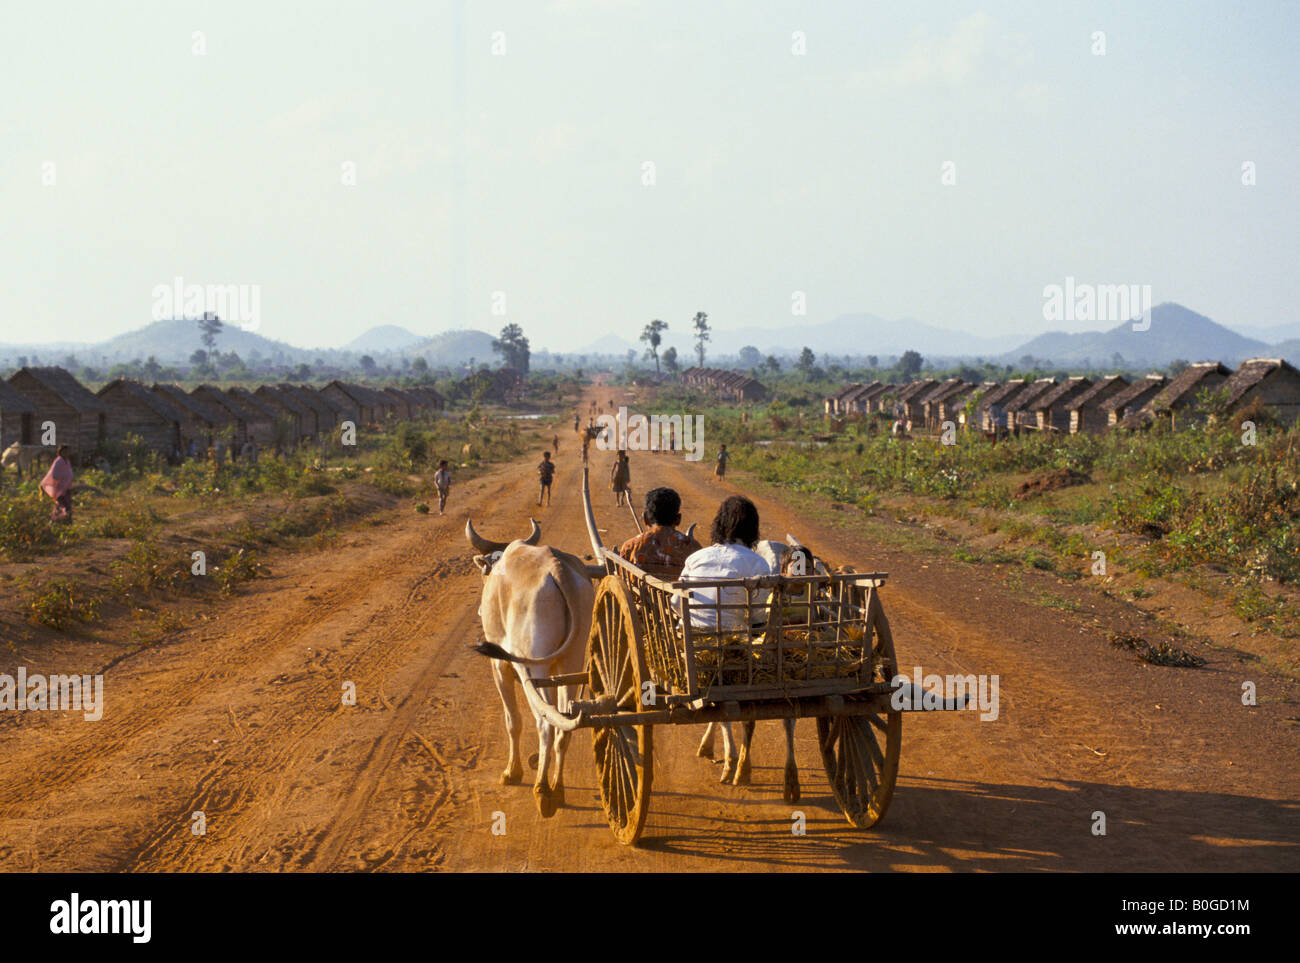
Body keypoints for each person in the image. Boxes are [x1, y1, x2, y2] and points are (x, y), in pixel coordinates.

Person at [679, 496, 771, 630]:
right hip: (734, 643)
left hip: (690, 636)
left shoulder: (695, 558)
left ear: (718, 526)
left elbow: (676, 603)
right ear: (753, 530)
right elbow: (758, 617)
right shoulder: (758, 563)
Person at [610, 487, 702, 580]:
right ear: (678, 519)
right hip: (682, 594)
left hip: (640, 594)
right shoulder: (693, 548)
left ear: (645, 519)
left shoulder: (630, 546)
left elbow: (622, 579)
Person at [41, 446, 75, 523]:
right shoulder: (58, 461)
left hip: (66, 488)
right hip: (59, 488)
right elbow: (54, 474)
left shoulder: (67, 461)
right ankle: (56, 521)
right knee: (61, 505)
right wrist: (62, 478)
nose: (66, 453)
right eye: (64, 452)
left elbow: (69, 473)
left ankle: (66, 521)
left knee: (67, 504)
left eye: (67, 452)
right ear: (60, 452)